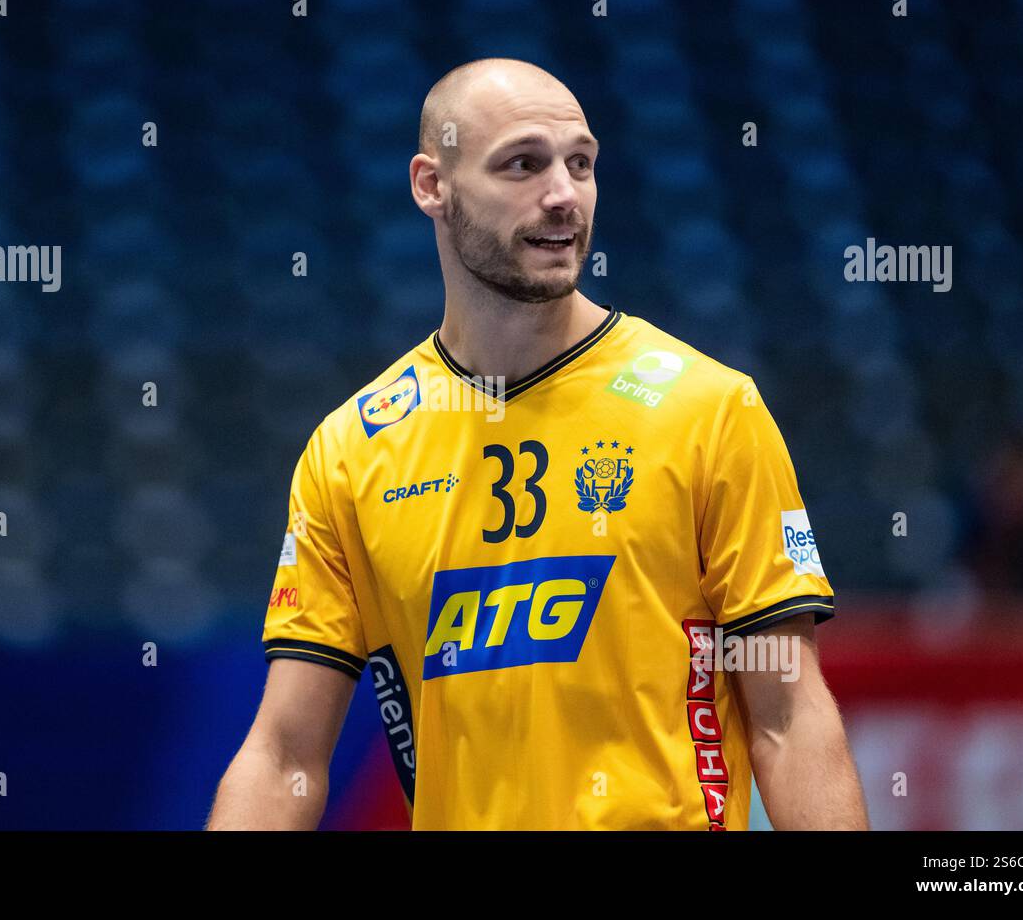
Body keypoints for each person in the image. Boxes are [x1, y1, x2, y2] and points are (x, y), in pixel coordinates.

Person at [206, 58, 868, 830]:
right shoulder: (351, 450)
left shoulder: (709, 409)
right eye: (524, 164)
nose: (564, 195)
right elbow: (284, 753)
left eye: (580, 164)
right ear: (431, 184)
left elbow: (788, 713)